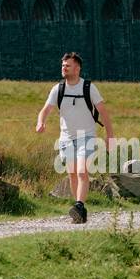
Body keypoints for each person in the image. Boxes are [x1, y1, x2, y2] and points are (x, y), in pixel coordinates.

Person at [36, 51, 114, 224]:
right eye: (63, 65)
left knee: (81, 171)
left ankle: (79, 204)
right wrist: (40, 122)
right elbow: (45, 110)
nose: (64, 68)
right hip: (66, 138)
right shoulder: (58, 89)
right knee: (72, 174)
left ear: (77, 68)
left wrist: (110, 135)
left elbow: (104, 112)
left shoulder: (88, 87)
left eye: (68, 65)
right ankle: (80, 209)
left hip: (86, 136)